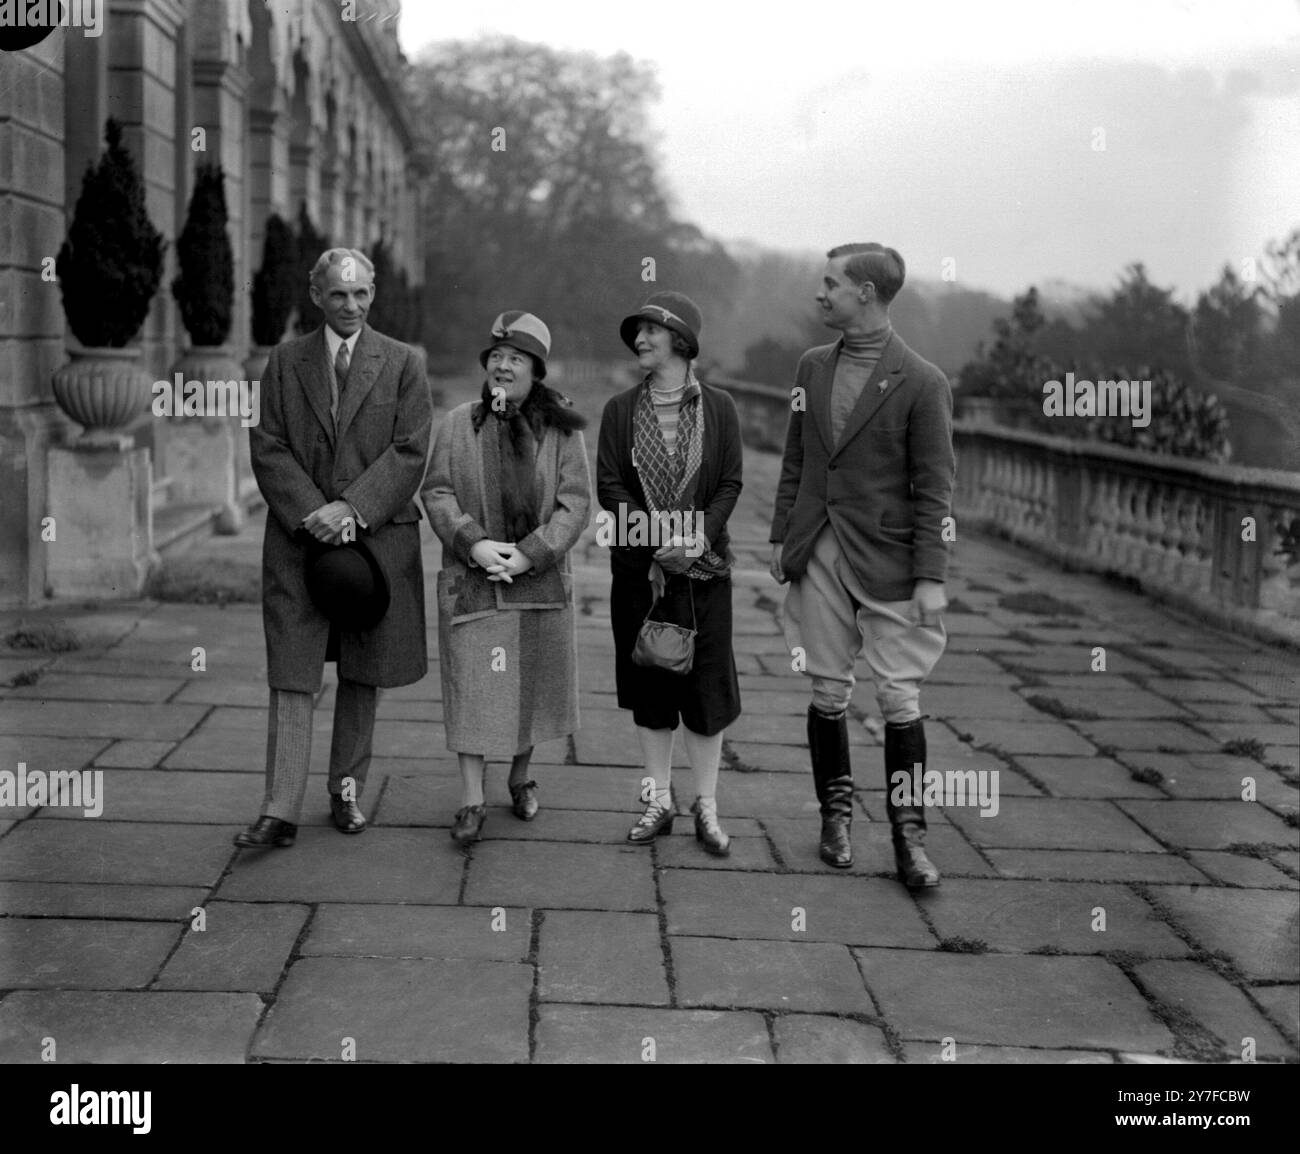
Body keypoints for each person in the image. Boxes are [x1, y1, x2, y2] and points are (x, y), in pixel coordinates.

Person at [769, 243, 955, 888]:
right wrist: (780, 538)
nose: (820, 294)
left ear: (867, 293)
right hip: (818, 550)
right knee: (827, 690)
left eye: (831, 284)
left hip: (891, 562)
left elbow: (935, 489)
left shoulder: (924, 382)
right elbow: (798, 459)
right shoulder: (811, 368)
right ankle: (835, 819)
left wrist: (930, 576)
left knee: (899, 698)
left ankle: (910, 839)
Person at [235, 247, 432, 849]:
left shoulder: (402, 363)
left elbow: (410, 450)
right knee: (293, 671)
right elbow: (267, 445)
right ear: (317, 297)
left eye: (361, 294)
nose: (352, 306)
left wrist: (351, 509)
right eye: (339, 295)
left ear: (373, 295)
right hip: (299, 541)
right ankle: (279, 808)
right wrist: (311, 513)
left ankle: (346, 793)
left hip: (375, 544)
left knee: (361, 666)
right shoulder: (284, 361)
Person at [422, 311, 592, 845]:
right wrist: (472, 541)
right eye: (495, 357)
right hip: (472, 580)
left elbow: (575, 503)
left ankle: (520, 777)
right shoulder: (456, 423)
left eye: (515, 358)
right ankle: (471, 799)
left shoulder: (562, 430)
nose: (502, 366)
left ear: (535, 371)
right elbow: (437, 491)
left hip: (537, 582)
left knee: (531, 686)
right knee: (471, 686)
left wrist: (530, 553)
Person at [597, 291, 743, 855]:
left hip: (704, 573)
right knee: (650, 684)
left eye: (651, 331)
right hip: (641, 572)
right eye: (636, 332)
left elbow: (729, 482)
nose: (639, 339)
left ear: (680, 341)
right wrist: (660, 539)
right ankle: (658, 799)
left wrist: (699, 534)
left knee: (706, 691)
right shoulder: (618, 410)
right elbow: (610, 484)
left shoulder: (721, 410)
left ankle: (706, 805)